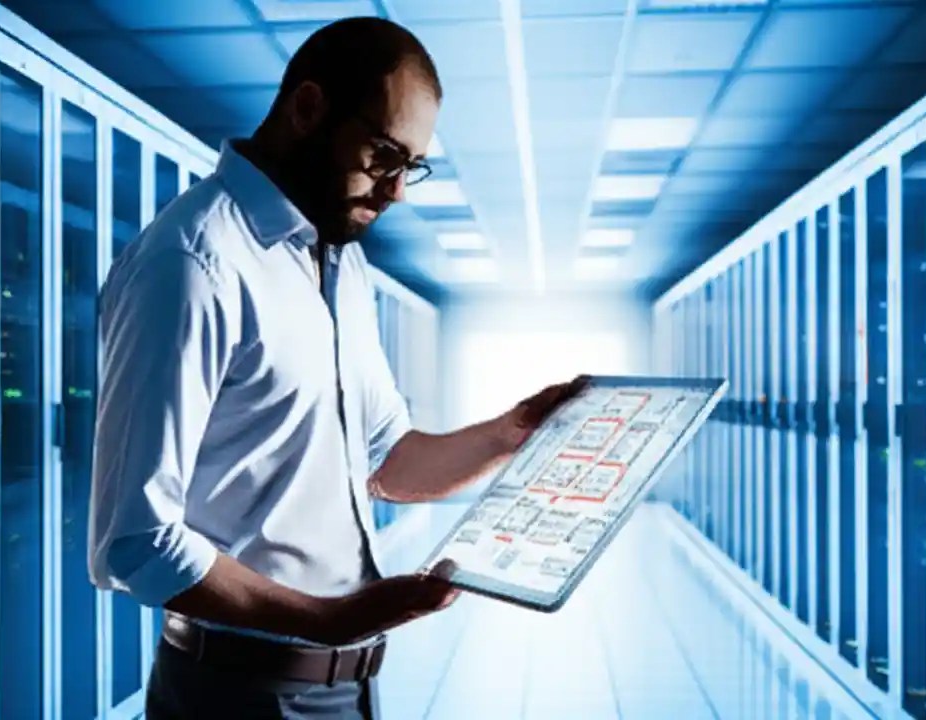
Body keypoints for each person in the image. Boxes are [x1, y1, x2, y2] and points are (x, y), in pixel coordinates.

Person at [88, 16, 586, 720]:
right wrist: (326, 620)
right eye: (384, 155)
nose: (397, 192)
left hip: (348, 690)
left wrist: (513, 432)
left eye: (411, 166)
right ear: (308, 109)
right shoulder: (193, 262)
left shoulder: (342, 265)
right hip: (235, 695)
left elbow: (387, 460)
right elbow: (136, 542)